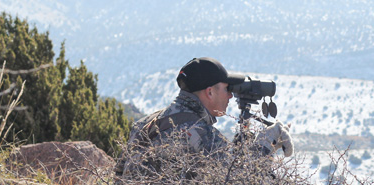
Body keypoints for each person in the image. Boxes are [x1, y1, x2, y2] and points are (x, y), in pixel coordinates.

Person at [115, 57, 292, 178]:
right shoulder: (200, 133)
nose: (230, 96)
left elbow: (119, 176)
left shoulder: (146, 124)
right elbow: (245, 181)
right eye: (227, 89)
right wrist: (267, 141)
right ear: (209, 92)